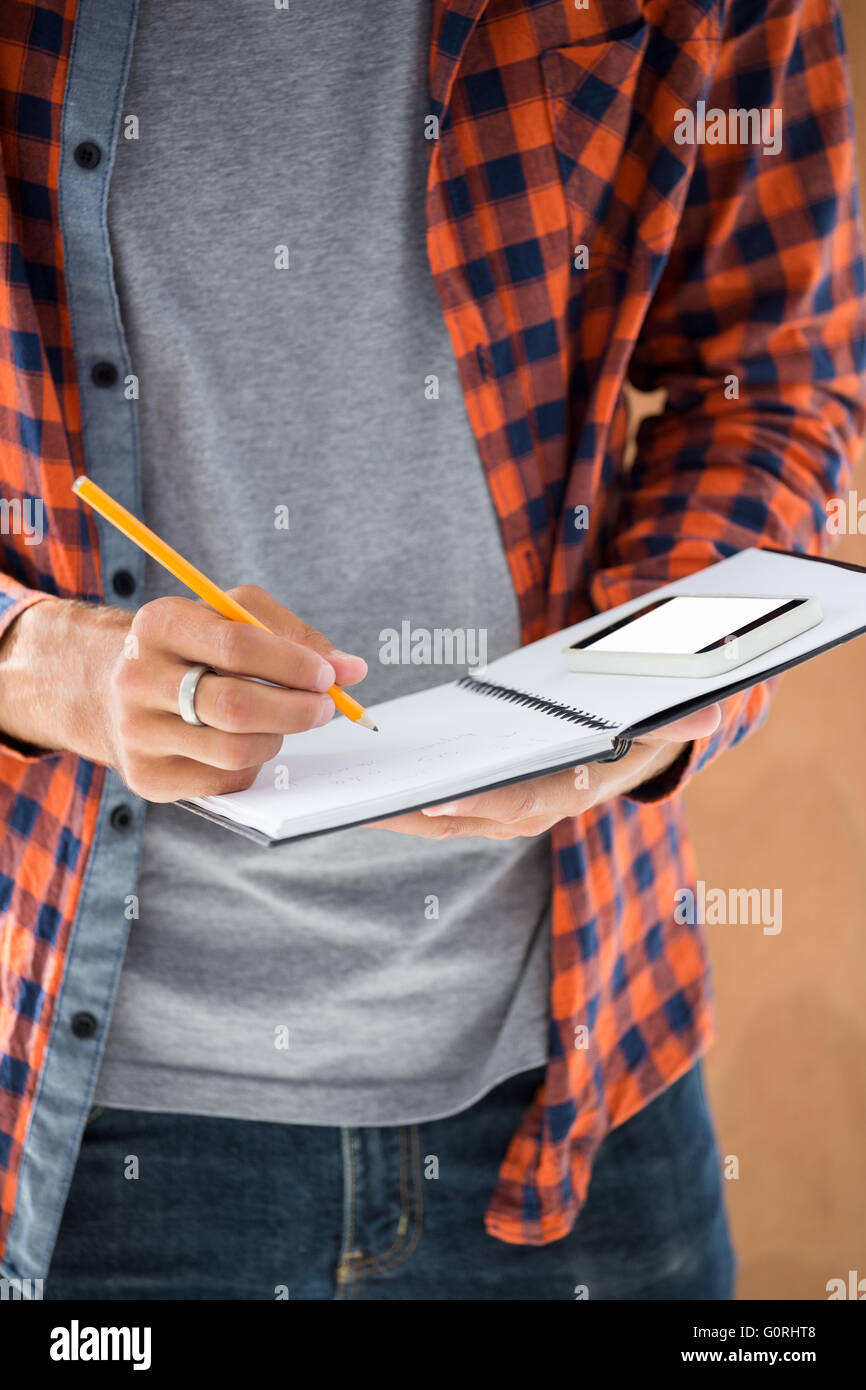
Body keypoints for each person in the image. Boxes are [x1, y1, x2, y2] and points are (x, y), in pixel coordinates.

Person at [0, 0, 863, 1301]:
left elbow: (776, 381)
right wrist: (37, 662)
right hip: (84, 1121)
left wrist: (623, 713)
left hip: (578, 1078)